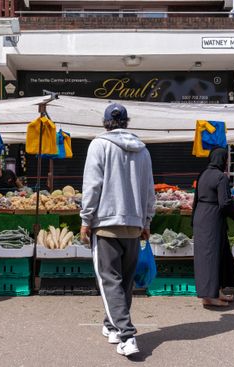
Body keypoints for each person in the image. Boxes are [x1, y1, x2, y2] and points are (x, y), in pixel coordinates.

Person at [80, 103, 155, 357]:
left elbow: (92, 186)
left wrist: (85, 219)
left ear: (105, 123)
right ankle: (112, 326)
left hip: (107, 225)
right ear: (126, 122)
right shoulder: (143, 151)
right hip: (133, 226)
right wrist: (146, 221)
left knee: (109, 280)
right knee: (124, 280)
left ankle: (127, 335)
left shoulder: (98, 145)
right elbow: (149, 190)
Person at [192, 147, 234, 307]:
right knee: (211, 257)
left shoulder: (203, 174)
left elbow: (196, 199)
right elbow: (225, 203)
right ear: (223, 160)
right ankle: (209, 297)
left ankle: (216, 291)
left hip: (201, 216)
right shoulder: (221, 177)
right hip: (212, 218)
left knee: (213, 255)